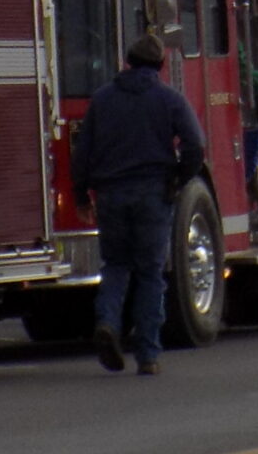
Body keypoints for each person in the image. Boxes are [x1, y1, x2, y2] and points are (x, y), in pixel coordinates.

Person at [74, 31, 206, 374]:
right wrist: (179, 178)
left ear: (128, 62)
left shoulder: (102, 100)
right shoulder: (170, 99)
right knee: (150, 273)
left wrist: (81, 194)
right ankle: (147, 354)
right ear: (161, 65)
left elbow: (82, 153)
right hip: (153, 193)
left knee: (116, 266)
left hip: (110, 195)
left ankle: (107, 322)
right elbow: (195, 145)